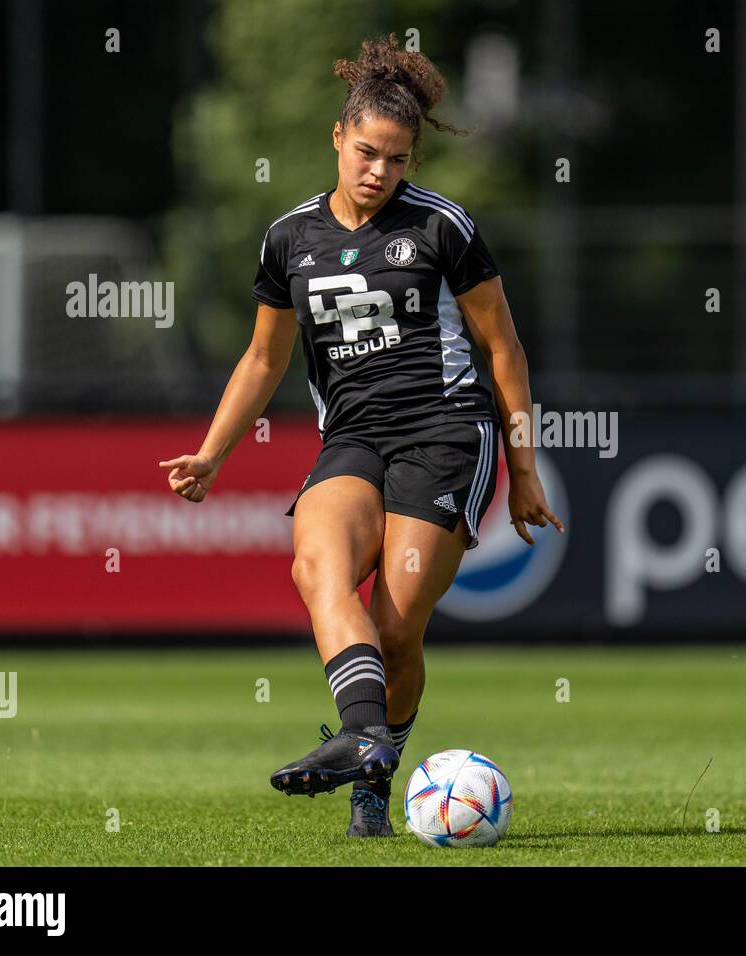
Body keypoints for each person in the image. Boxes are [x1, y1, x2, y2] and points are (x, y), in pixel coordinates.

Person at [158, 33, 563, 838]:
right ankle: (366, 738)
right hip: (351, 440)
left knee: (397, 626)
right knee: (317, 567)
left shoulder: (444, 229)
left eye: (399, 159)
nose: (380, 170)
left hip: (446, 435)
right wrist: (211, 452)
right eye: (369, 152)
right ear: (339, 138)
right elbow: (263, 358)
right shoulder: (288, 239)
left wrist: (522, 468)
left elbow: (504, 348)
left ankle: (370, 786)